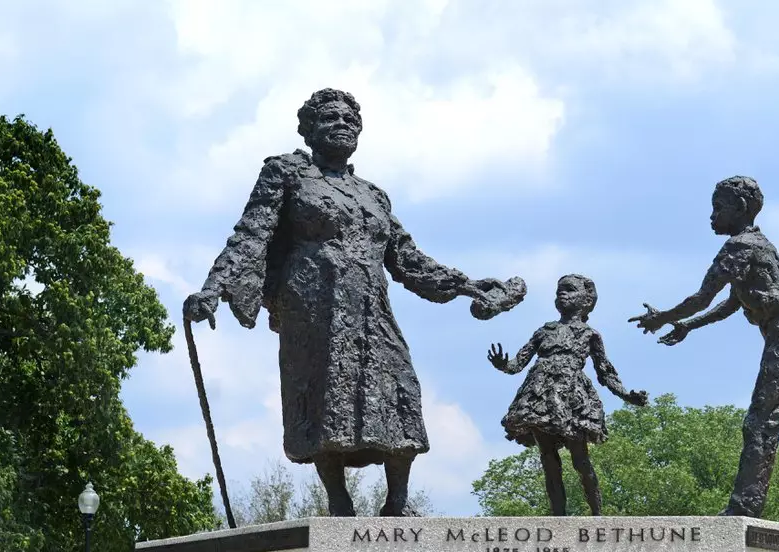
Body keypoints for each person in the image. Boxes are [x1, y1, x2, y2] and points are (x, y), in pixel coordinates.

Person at [183, 88, 525, 516]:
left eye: (350, 120)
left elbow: (407, 258)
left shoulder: (374, 195)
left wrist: (467, 285)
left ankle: (397, 501)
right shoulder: (286, 174)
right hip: (313, 307)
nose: (342, 125)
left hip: (371, 308)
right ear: (309, 131)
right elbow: (251, 234)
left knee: (400, 388)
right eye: (330, 118)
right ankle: (338, 501)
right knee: (325, 396)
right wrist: (214, 289)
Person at [629, 176, 779, 531]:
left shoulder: (739, 247)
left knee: (762, 420)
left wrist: (662, 318)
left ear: (740, 209)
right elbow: (733, 302)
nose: (712, 216)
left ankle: (745, 506)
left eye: (719, 208)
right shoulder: (763, 245)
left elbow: (703, 297)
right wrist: (690, 326)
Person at [489, 274, 647, 516]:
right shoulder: (544, 331)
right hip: (539, 397)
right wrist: (502, 364)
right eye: (559, 291)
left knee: (580, 461)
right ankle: (558, 518)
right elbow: (517, 364)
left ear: (586, 300)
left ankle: (597, 515)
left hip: (572, 399)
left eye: (569, 290)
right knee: (549, 461)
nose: (561, 294)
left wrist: (627, 395)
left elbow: (605, 372)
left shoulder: (589, 335)